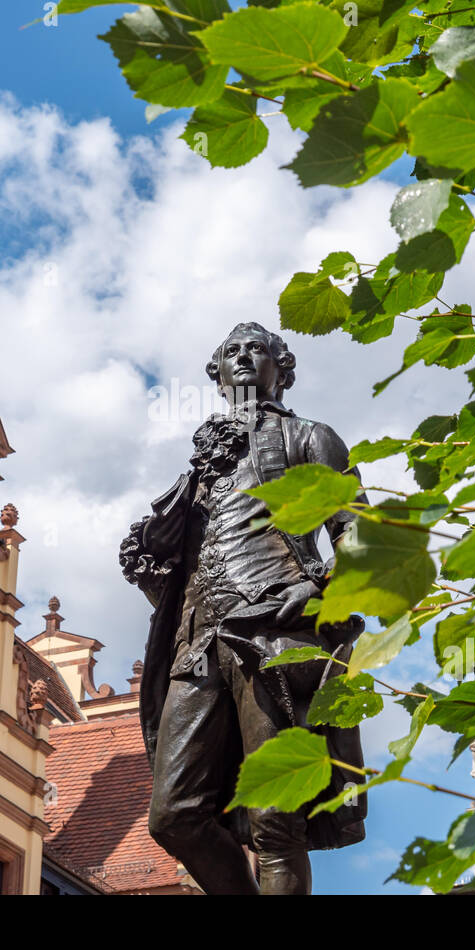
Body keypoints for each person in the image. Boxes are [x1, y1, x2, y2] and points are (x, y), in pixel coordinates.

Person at [120, 321, 367, 895]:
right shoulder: (200, 466)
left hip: (271, 636)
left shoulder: (309, 437)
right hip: (198, 645)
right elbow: (185, 568)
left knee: (276, 821)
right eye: (232, 352)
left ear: (283, 367)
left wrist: (322, 588)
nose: (244, 358)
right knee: (174, 815)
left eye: (258, 349)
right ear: (217, 372)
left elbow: (360, 532)